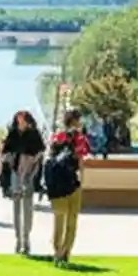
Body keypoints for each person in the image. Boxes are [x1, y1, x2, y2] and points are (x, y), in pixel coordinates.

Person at [49, 108, 91, 266]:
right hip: (73, 182)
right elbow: (81, 160)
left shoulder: (57, 136)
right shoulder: (79, 138)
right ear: (75, 120)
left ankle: (57, 251)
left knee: (58, 219)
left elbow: (51, 158)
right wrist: (82, 178)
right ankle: (66, 252)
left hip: (58, 184)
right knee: (72, 221)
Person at [2, 110, 46, 255]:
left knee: (27, 208)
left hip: (29, 174)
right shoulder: (13, 134)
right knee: (16, 208)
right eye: (18, 118)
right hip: (16, 173)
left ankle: (26, 240)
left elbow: (41, 152)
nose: (20, 121)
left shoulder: (34, 134)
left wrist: (32, 161)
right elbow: (5, 152)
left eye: (23, 118)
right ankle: (18, 239)